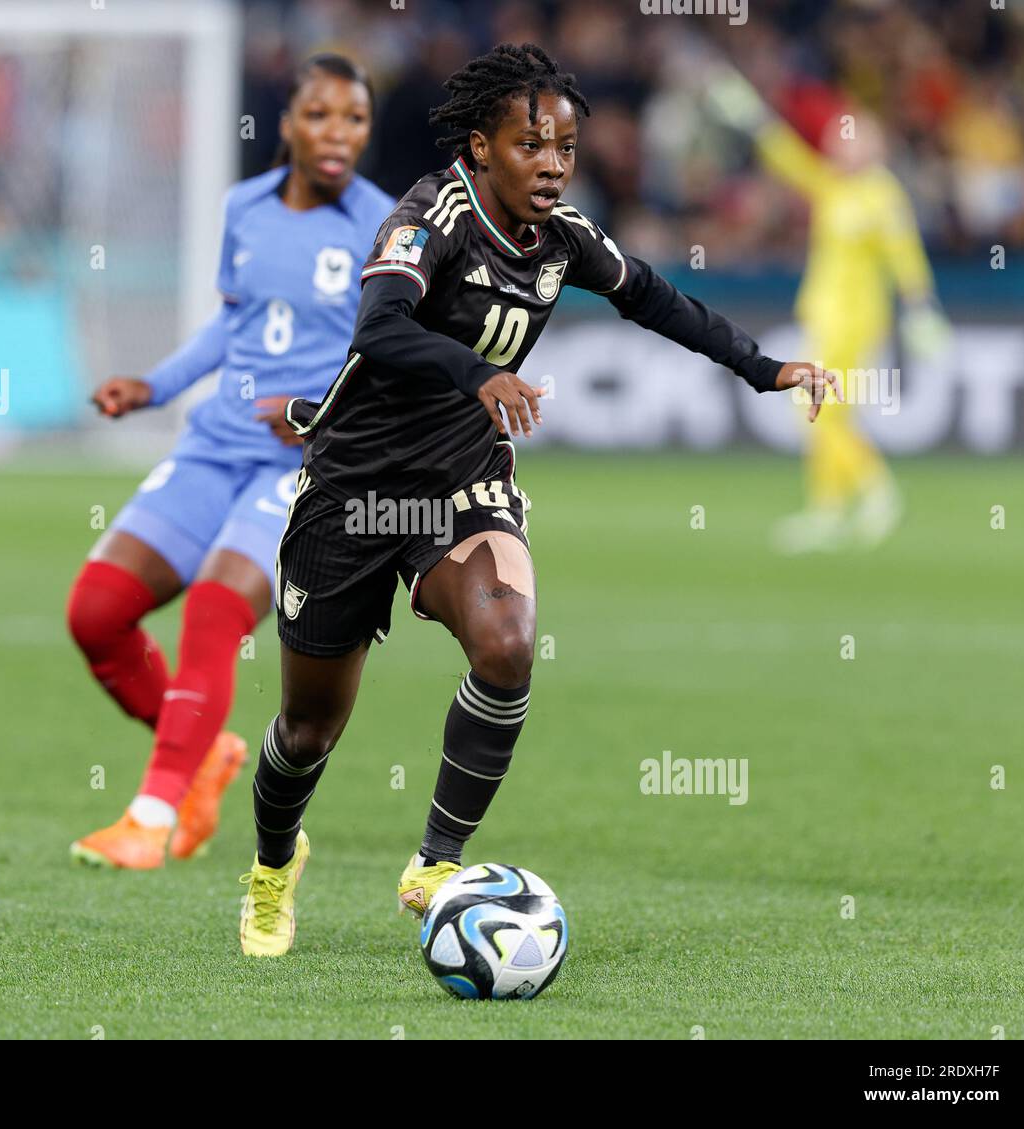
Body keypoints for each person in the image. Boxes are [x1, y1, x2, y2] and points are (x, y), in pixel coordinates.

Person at [235, 43, 840, 956]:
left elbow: (654, 297)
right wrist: (480, 374)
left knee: (509, 644)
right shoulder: (429, 215)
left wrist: (765, 369)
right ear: (481, 149)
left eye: (563, 146)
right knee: (309, 726)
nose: (554, 163)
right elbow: (383, 327)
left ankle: (437, 864)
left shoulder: (563, 238)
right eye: (531, 145)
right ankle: (274, 866)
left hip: (462, 481)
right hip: (354, 491)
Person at [65, 54, 393, 869]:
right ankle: (205, 752)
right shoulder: (243, 207)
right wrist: (154, 385)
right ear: (288, 123)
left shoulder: (384, 226)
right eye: (320, 115)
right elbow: (232, 325)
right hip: (214, 443)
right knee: (97, 612)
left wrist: (323, 419)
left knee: (214, 609)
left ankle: (151, 814)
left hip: (303, 463)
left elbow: (393, 352)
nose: (337, 135)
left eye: (354, 119)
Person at [704, 63, 951, 552]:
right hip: (825, 314)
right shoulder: (833, 185)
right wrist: (753, 115)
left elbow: (904, 255)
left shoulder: (881, 194)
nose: (843, 146)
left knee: (822, 409)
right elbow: (786, 157)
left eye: (854, 138)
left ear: (875, 146)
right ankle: (832, 508)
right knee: (823, 411)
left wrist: (921, 306)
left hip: (857, 319)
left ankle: (874, 492)